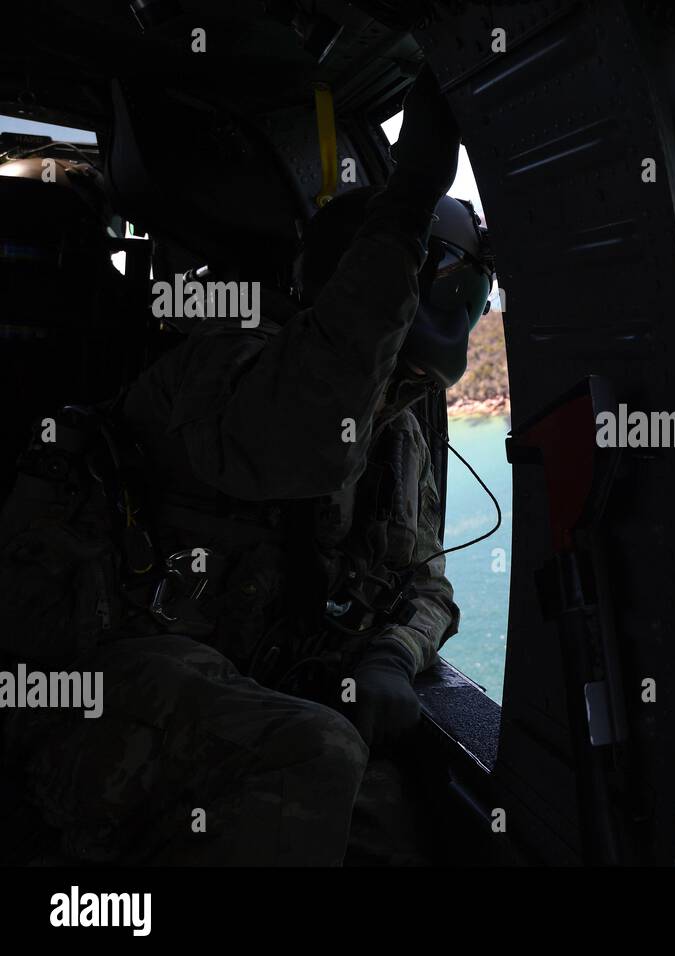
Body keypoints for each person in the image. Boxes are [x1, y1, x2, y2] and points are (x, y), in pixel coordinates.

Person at [0, 67, 494, 864]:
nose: (464, 314)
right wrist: (409, 194)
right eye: (459, 285)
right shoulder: (218, 371)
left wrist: (390, 656)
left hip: (224, 691)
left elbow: (423, 582)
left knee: (387, 817)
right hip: (80, 682)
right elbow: (307, 438)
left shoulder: (397, 433)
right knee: (313, 757)